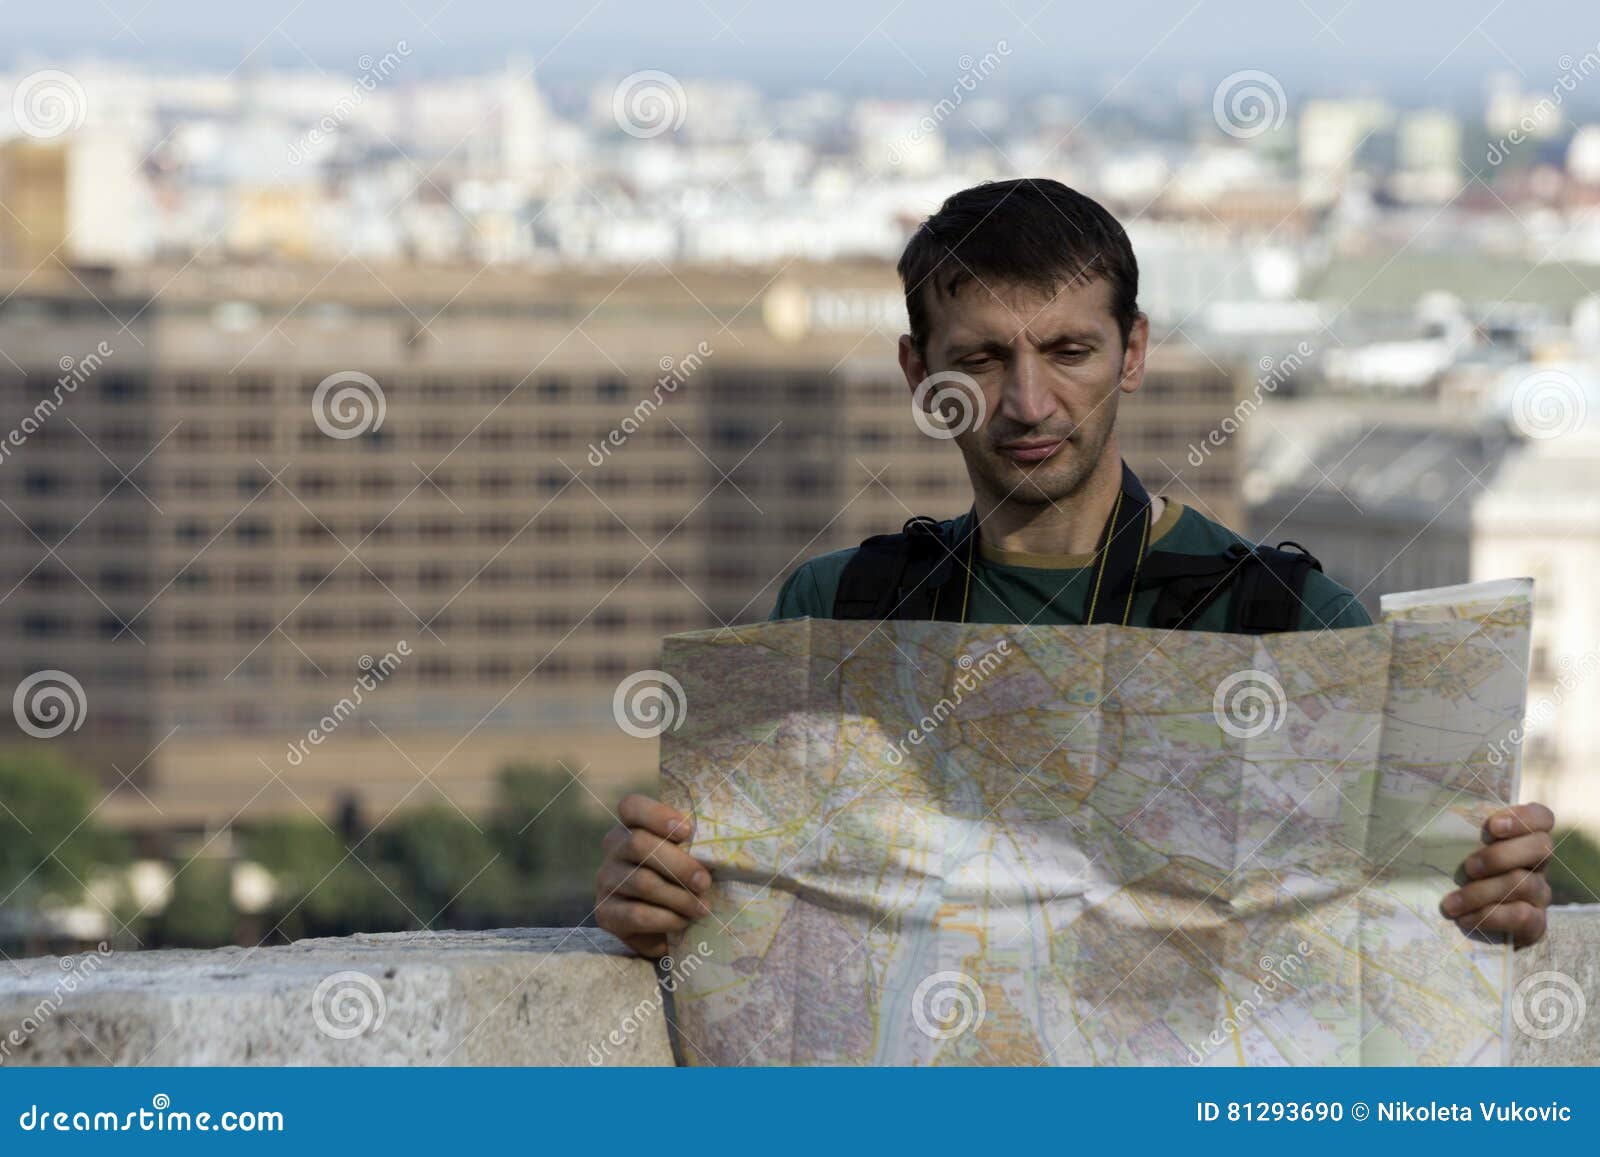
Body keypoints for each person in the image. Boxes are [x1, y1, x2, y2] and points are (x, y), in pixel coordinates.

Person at [595, 177, 1555, 960]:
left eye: (1069, 351)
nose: (1026, 400)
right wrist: (658, 899)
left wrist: (1489, 889)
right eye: (979, 357)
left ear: (1131, 353)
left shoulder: (1287, 618)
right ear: (917, 376)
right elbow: (751, 918)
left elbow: (1407, 916)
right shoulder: (839, 606)